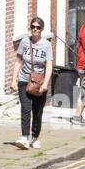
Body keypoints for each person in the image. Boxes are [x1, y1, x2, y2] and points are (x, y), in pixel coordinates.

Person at [12, 16, 55, 149]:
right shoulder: (24, 42)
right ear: (30, 28)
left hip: (39, 83)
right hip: (24, 80)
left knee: (37, 111)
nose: (35, 29)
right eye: (33, 27)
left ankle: (35, 137)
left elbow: (49, 66)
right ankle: (25, 137)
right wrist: (14, 80)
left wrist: (45, 84)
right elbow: (19, 61)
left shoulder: (46, 45)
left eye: (38, 27)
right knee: (25, 108)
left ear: (42, 29)